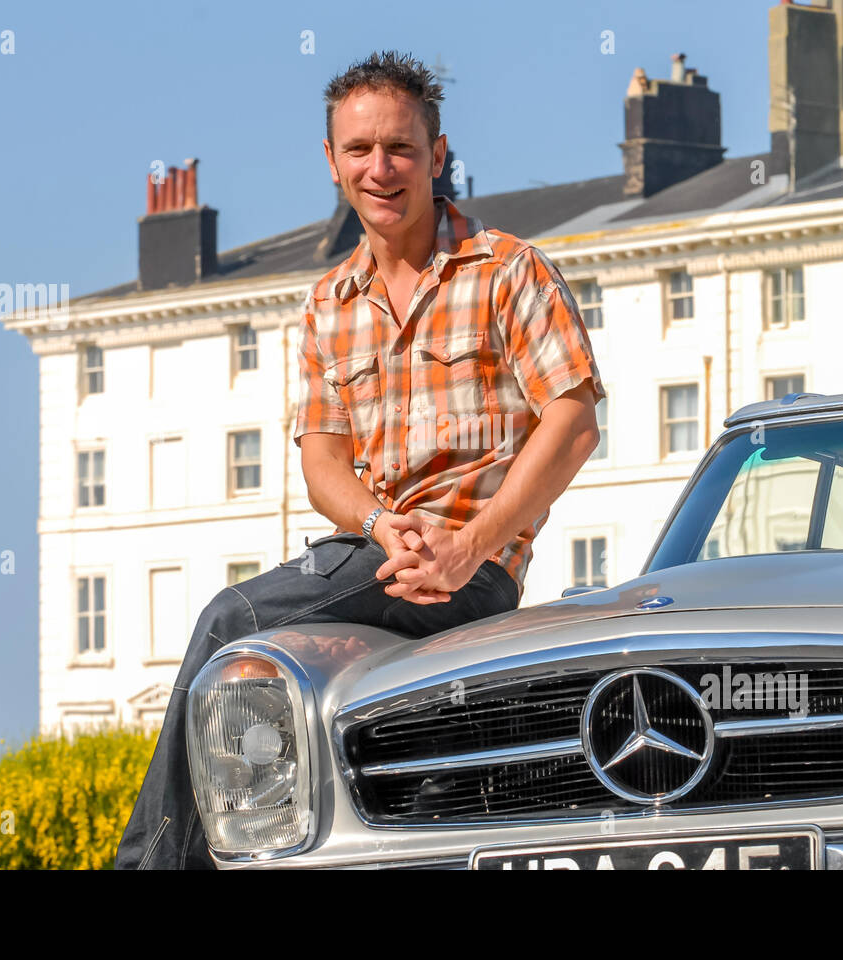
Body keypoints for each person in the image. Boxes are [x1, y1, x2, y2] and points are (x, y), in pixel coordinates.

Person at [114, 49, 605, 869]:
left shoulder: (508, 270)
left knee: (234, 621)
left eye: (401, 148)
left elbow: (574, 420)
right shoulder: (327, 305)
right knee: (272, 691)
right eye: (360, 150)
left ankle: (147, 866)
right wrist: (381, 525)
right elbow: (324, 467)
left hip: (473, 571)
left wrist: (470, 543)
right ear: (332, 163)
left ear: (438, 156)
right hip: (373, 563)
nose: (381, 169)